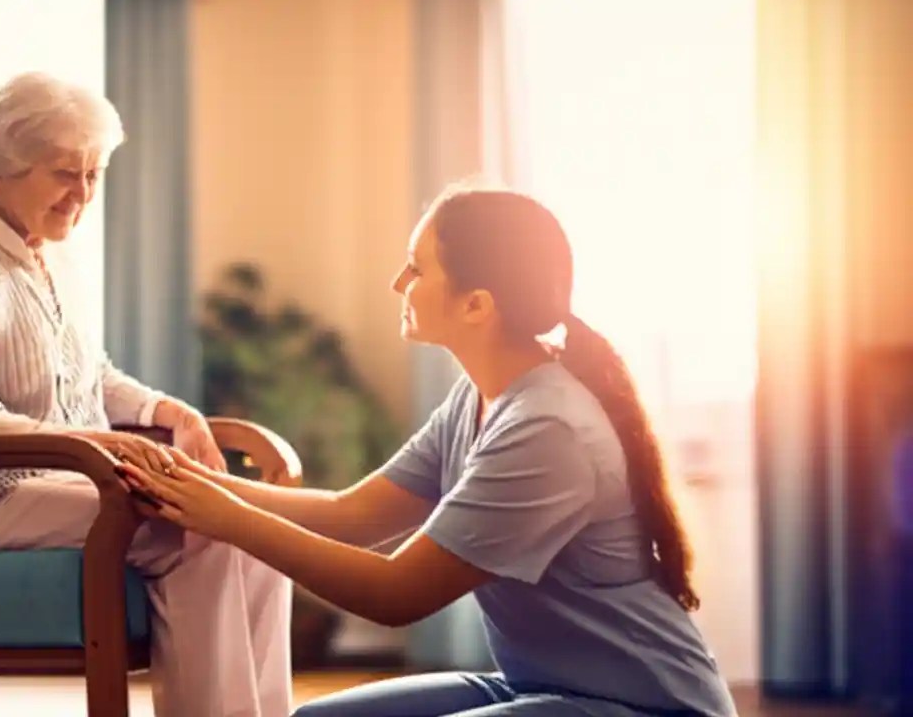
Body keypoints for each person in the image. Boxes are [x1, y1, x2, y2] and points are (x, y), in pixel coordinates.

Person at [121, 187, 738, 716]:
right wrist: (188, 481)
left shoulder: (547, 430)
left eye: (416, 269)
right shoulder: (479, 397)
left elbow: (397, 594)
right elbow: (351, 515)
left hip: (642, 706)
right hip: (538, 688)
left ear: (477, 304)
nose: (398, 283)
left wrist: (226, 518)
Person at [0, 72, 291, 717]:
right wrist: (107, 446)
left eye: (94, 174)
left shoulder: (53, 257)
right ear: (1, 166)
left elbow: (94, 375)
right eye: (67, 173)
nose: (84, 194)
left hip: (57, 480)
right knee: (205, 527)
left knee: (254, 527)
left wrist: (169, 412)